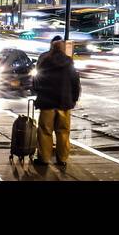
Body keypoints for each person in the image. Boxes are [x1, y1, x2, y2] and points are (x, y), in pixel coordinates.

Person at [32, 36, 80, 167]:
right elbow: (75, 81)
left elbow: (37, 79)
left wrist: (37, 91)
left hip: (47, 102)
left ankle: (44, 158)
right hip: (64, 103)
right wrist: (74, 98)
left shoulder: (43, 59)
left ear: (51, 46)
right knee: (63, 131)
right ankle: (62, 159)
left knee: (45, 131)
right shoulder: (68, 61)